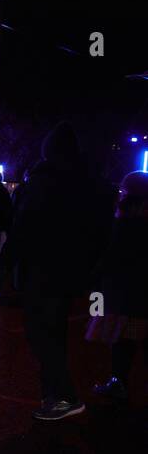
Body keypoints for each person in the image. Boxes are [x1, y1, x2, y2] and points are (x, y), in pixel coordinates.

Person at [9, 123, 117, 420]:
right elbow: (103, 231)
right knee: (54, 332)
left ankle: (63, 395)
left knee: (42, 334)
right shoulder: (95, 184)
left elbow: (24, 228)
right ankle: (54, 395)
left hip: (42, 270)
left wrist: (9, 262)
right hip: (73, 271)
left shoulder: (42, 183)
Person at [86, 171, 148, 401]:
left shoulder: (125, 223)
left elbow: (111, 256)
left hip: (126, 294)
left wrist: (93, 277)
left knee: (123, 340)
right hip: (138, 293)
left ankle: (118, 382)